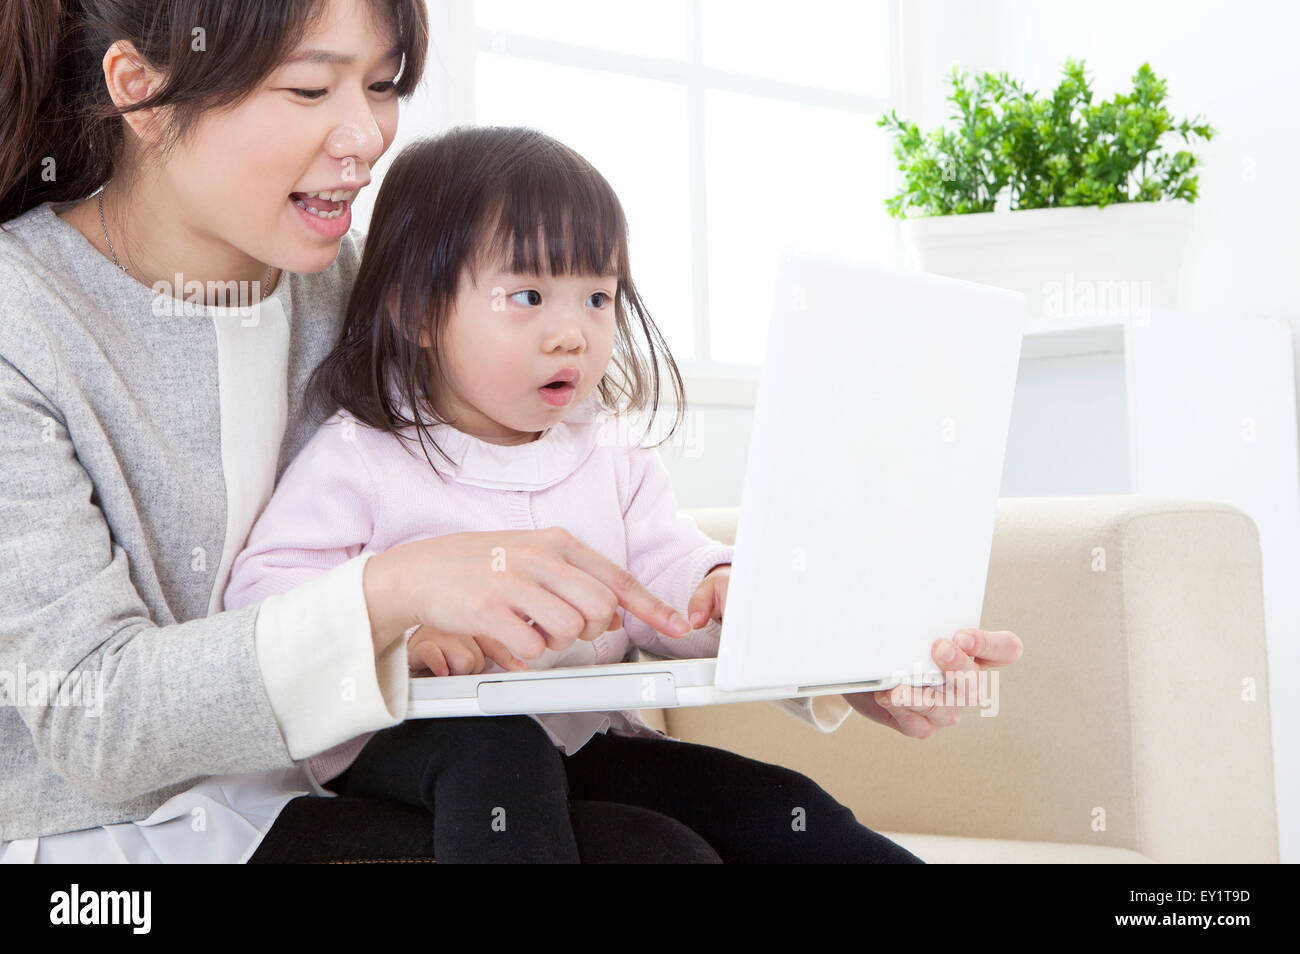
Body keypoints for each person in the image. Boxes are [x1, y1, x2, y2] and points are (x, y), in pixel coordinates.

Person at [0, 0, 1022, 864]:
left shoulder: (385, 285)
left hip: (402, 789)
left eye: (386, 83)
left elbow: (624, 540)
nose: (363, 137)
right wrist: (395, 590)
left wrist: (835, 645)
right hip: (134, 839)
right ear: (138, 87)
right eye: (309, 90)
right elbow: (97, 715)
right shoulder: (26, 317)